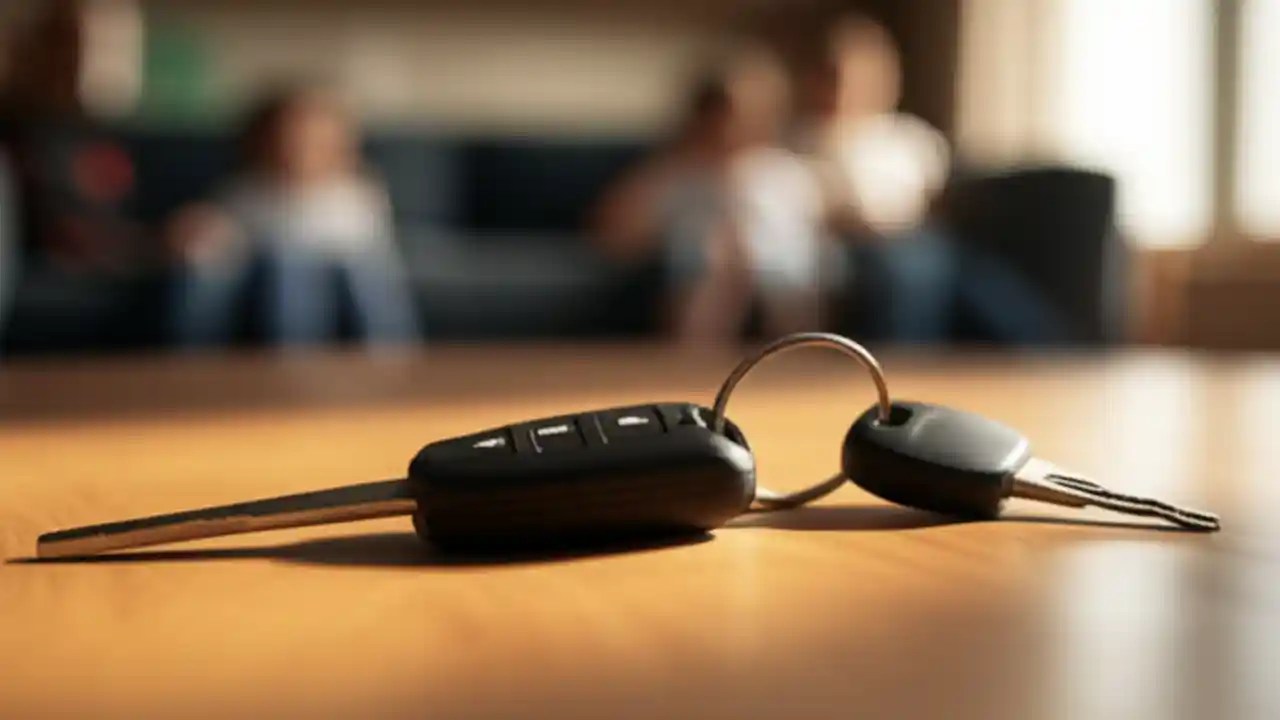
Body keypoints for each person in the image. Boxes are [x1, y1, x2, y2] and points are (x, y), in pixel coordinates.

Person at [794, 14, 1061, 344]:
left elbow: (938, 200)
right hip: (854, 245)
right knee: (907, 270)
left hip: (926, 239)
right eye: (835, 77)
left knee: (993, 292)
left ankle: (1045, 357)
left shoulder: (910, 137)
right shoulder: (803, 141)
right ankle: (903, 365)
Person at [592, 48, 827, 342]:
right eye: (722, 113)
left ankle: (797, 352)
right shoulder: (679, 169)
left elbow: (813, 222)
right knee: (711, 266)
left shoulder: (780, 169)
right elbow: (617, 231)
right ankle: (696, 360)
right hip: (702, 262)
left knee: (791, 277)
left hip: (778, 264)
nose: (732, 125)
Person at [167, 85, 418, 348]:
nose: (299, 152)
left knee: (303, 269)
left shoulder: (354, 194)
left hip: (334, 274)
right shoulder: (245, 191)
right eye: (289, 142)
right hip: (259, 274)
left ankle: (389, 354)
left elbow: (363, 246)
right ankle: (195, 357)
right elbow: (222, 236)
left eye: (313, 144)